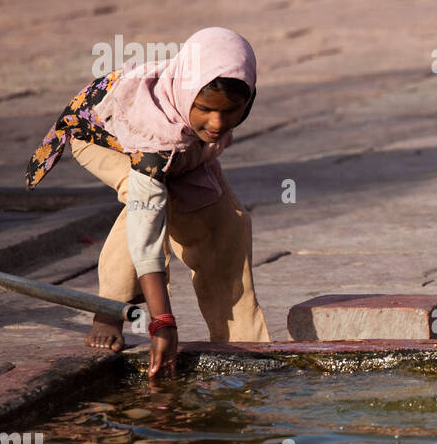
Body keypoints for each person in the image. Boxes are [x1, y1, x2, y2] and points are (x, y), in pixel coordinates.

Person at [26, 27, 269, 377]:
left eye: (230, 112)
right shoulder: (152, 130)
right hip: (106, 137)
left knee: (227, 224)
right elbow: (146, 230)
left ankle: (245, 344)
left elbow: (207, 128)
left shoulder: (210, 107)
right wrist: (162, 322)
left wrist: (200, 133)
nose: (217, 123)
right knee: (148, 207)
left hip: (184, 143)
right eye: (205, 109)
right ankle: (109, 310)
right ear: (188, 96)